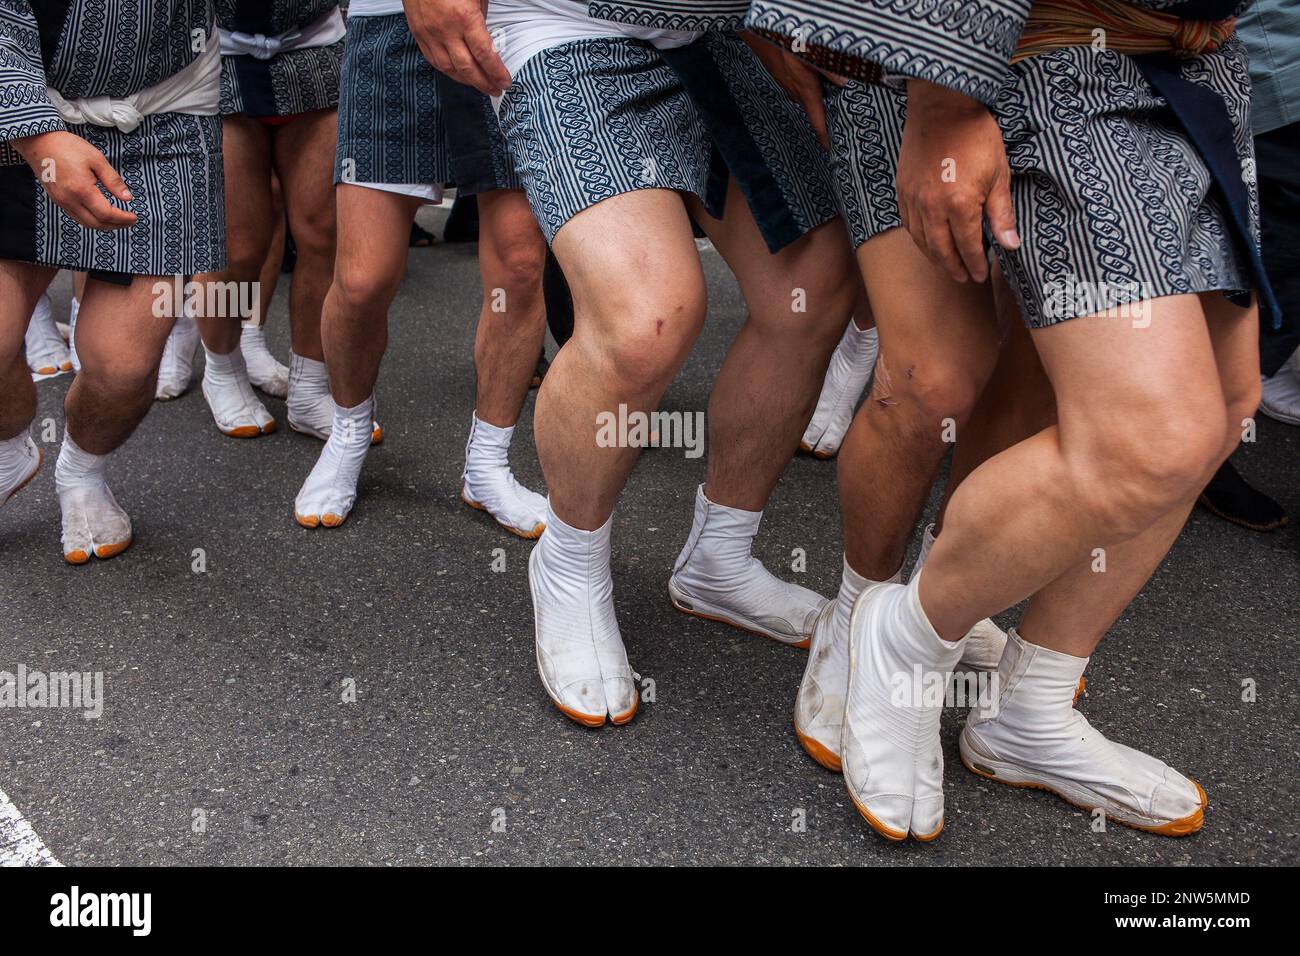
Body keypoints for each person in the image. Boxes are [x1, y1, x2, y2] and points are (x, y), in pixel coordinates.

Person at [750, 0, 1265, 839]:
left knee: (1219, 404)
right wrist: (944, 96)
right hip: (1034, 51)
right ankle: (886, 622)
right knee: (947, 385)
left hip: (1196, 58)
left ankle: (1032, 706)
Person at [413, 0, 875, 727]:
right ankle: (569, 559)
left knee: (810, 290)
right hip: (566, 20)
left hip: (722, 24)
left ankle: (719, 561)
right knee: (644, 321)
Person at [293, 0, 546, 537]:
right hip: (391, 21)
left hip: (510, 24)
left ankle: (488, 465)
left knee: (519, 268)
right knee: (362, 281)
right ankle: (348, 433)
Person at [0, 0, 225, 563]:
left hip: (162, 115)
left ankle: (82, 471)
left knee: (123, 365)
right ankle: (8, 451)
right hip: (15, 119)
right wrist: (41, 138)